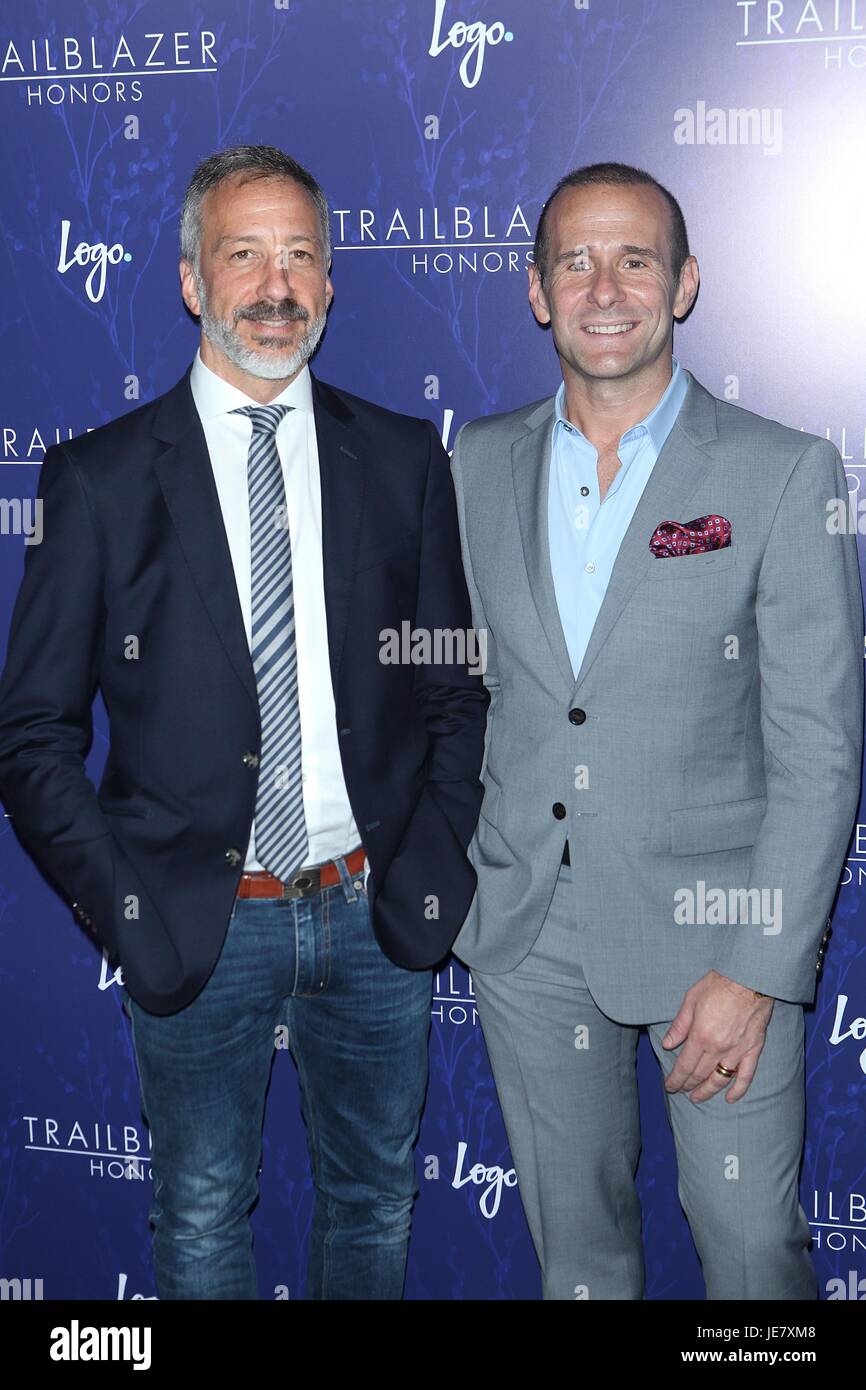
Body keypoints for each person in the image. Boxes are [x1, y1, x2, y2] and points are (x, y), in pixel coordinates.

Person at [0, 144, 486, 1300]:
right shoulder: (103, 479)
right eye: (243, 254)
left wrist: (425, 863)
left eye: (300, 256)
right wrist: (129, 908)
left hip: (373, 912)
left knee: (373, 1198)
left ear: (328, 280)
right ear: (189, 281)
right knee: (205, 1214)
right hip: (194, 924)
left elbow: (452, 682)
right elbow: (29, 734)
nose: (275, 284)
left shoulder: (404, 458)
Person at [449, 161, 863, 1300]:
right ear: (536, 293)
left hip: (715, 941)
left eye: (633, 258)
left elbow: (818, 750)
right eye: (573, 261)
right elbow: (459, 696)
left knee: (746, 1260)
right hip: (528, 931)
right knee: (576, 1263)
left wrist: (760, 967)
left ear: (684, 284)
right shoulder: (475, 464)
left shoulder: (780, 474)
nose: (603, 286)